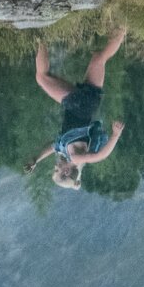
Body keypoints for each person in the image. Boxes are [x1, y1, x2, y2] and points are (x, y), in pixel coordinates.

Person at [24, 26, 129, 190]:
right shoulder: (77, 158)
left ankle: (122, 26)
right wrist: (115, 135)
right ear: (66, 172)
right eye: (57, 170)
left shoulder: (66, 152)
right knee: (42, 78)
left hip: (90, 104)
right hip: (77, 105)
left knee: (99, 58)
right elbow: (100, 156)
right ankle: (39, 34)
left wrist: (36, 159)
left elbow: (53, 146)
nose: (56, 166)